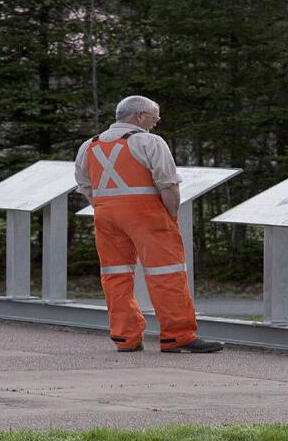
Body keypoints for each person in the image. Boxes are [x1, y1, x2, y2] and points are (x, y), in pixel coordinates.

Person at [74, 95, 223, 354]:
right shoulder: (149, 141)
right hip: (147, 215)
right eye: (155, 117)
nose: (156, 122)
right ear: (140, 116)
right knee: (167, 274)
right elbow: (168, 184)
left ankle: (125, 337)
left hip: (106, 216)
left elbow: (86, 186)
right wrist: (171, 216)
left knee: (115, 276)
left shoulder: (90, 145)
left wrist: (104, 207)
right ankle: (177, 336)